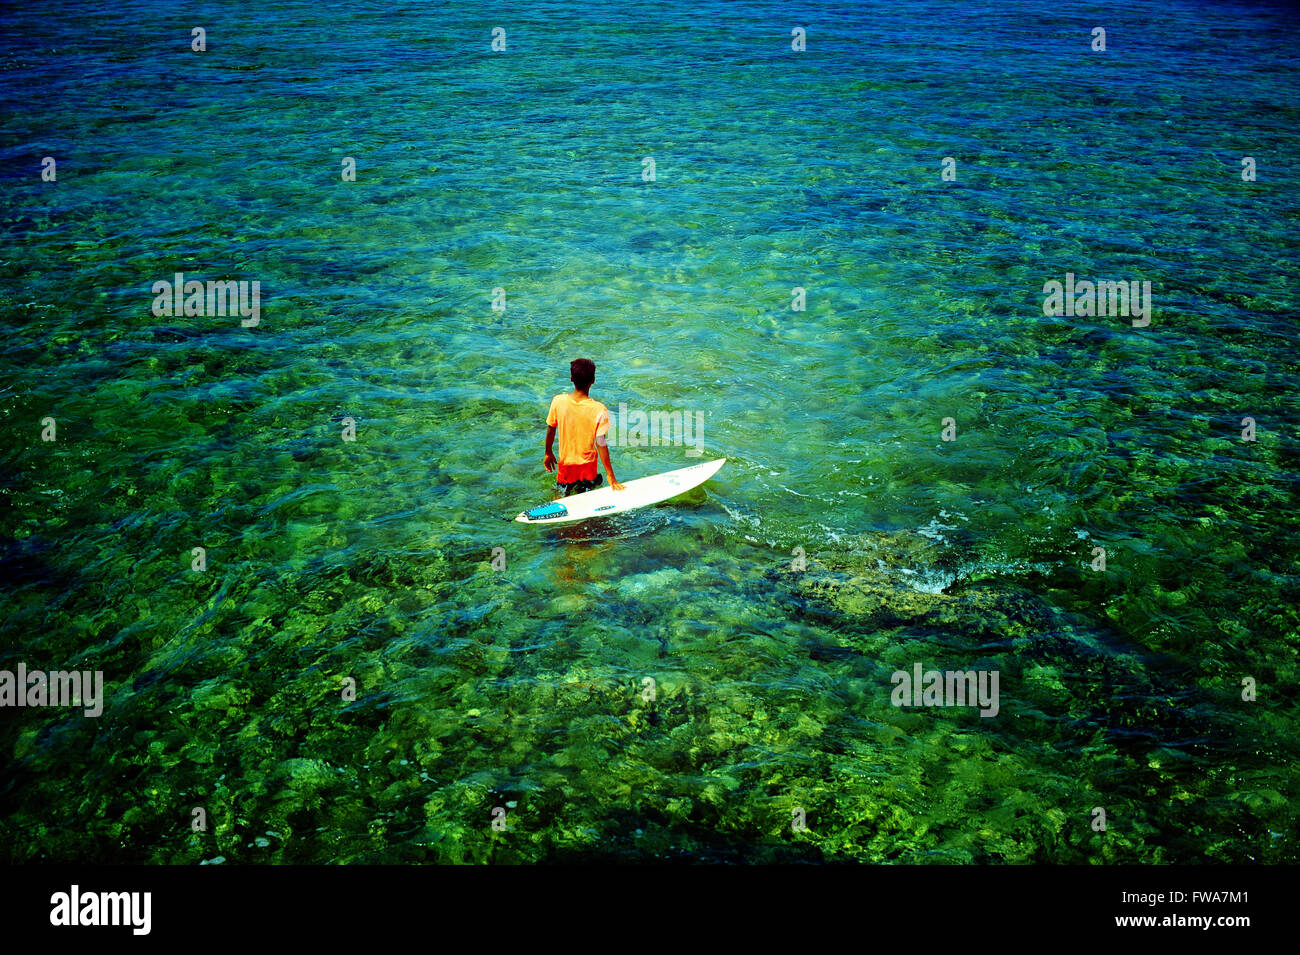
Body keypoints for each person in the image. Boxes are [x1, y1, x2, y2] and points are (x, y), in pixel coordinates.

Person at [545, 358, 625, 497]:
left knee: (561, 494)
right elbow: (601, 443)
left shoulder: (558, 401)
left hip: (566, 466)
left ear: (571, 378)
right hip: (587, 468)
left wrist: (548, 452)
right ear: (593, 380)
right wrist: (610, 475)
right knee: (587, 497)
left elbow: (551, 429)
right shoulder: (600, 409)